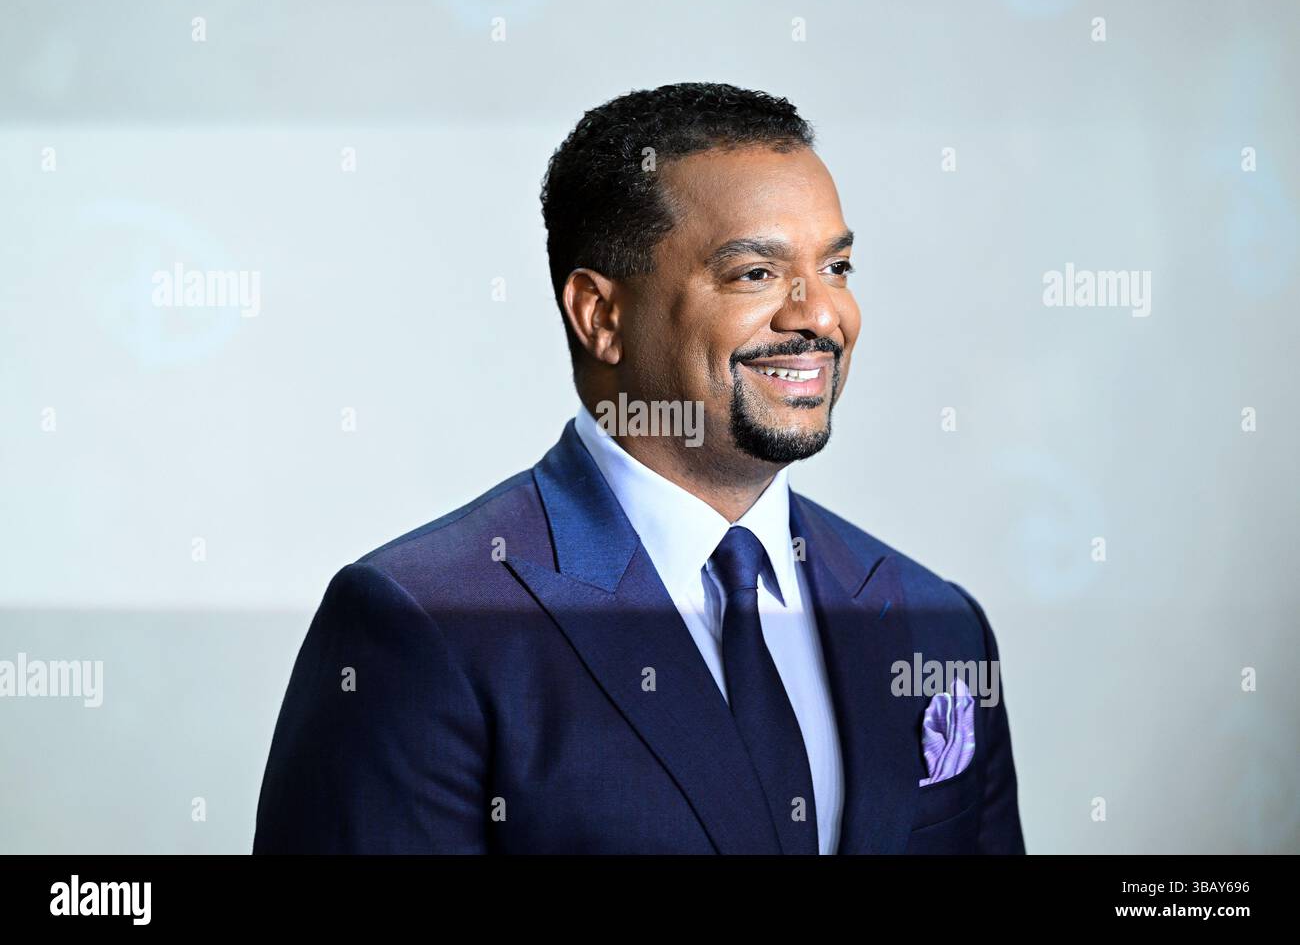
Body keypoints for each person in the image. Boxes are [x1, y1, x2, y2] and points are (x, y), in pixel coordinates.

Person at [253, 82, 1025, 854]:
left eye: (838, 266)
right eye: (755, 273)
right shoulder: (424, 625)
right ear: (600, 316)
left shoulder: (937, 624)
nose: (820, 315)